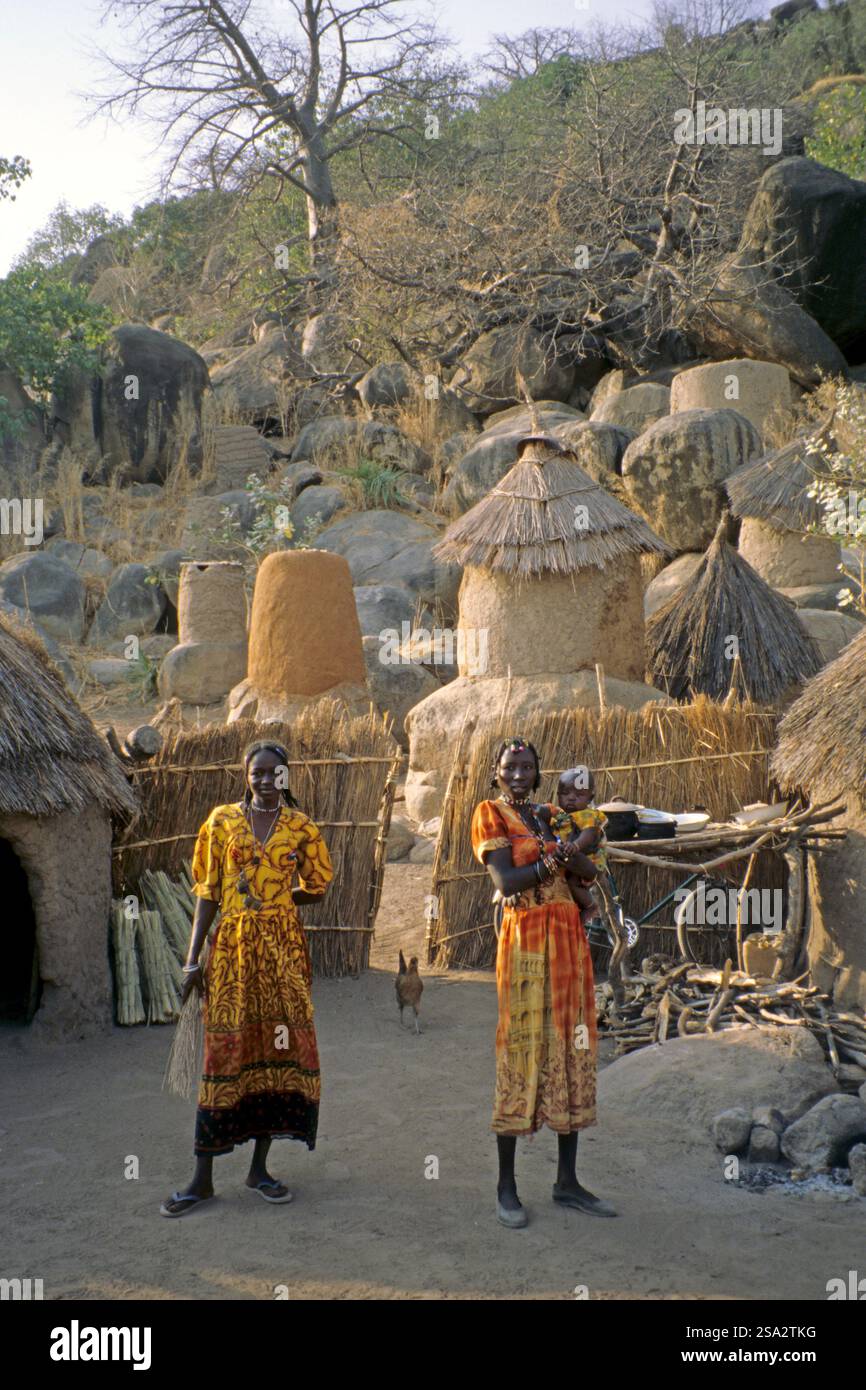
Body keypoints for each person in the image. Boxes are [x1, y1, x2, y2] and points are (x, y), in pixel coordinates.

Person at [160, 741, 333, 1217]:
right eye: (256, 772)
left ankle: (259, 1169)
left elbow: (317, 886)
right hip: (233, 954)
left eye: (273, 773)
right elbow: (208, 894)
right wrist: (192, 960)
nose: (264, 779)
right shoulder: (221, 822)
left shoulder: (300, 827)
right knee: (224, 1055)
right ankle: (202, 1180)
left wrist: (276, 903)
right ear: (245, 775)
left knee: (274, 1051)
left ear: (286, 778)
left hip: (281, 956)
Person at [471, 737, 617, 1228]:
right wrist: (564, 856)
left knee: (571, 1049)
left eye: (527, 767)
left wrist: (570, 853)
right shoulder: (489, 814)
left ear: (537, 773)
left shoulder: (551, 813)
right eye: (510, 766)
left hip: (569, 941)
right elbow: (507, 883)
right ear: (496, 772)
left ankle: (567, 1182)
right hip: (527, 942)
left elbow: (590, 870)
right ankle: (506, 1186)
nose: (518, 774)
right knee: (522, 1049)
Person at [551, 766, 609, 914]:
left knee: (573, 883)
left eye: (579, 794)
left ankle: (590, 907)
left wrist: (576, 845)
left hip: (589, 860)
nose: (571, 797)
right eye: (565, 793)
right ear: (558, 796)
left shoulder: (587, 815)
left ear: (590, 798)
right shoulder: (559, 816)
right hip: (569, 860)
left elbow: (589, 834)